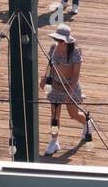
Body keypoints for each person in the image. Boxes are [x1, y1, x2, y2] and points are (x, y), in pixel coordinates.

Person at [40, 24, 93, 156]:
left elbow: (76, 76)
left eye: (61, 40)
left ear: (67, 41)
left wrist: (70, 93)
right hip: (56, 85)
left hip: (70, 86)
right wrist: (44, 78)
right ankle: (54, 141)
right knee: (54, 117)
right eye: (57, 40)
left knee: (73, 114)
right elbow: (49, 66)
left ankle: (87, 122)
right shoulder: (53, 48)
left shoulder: (75, 52)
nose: (58, 43)